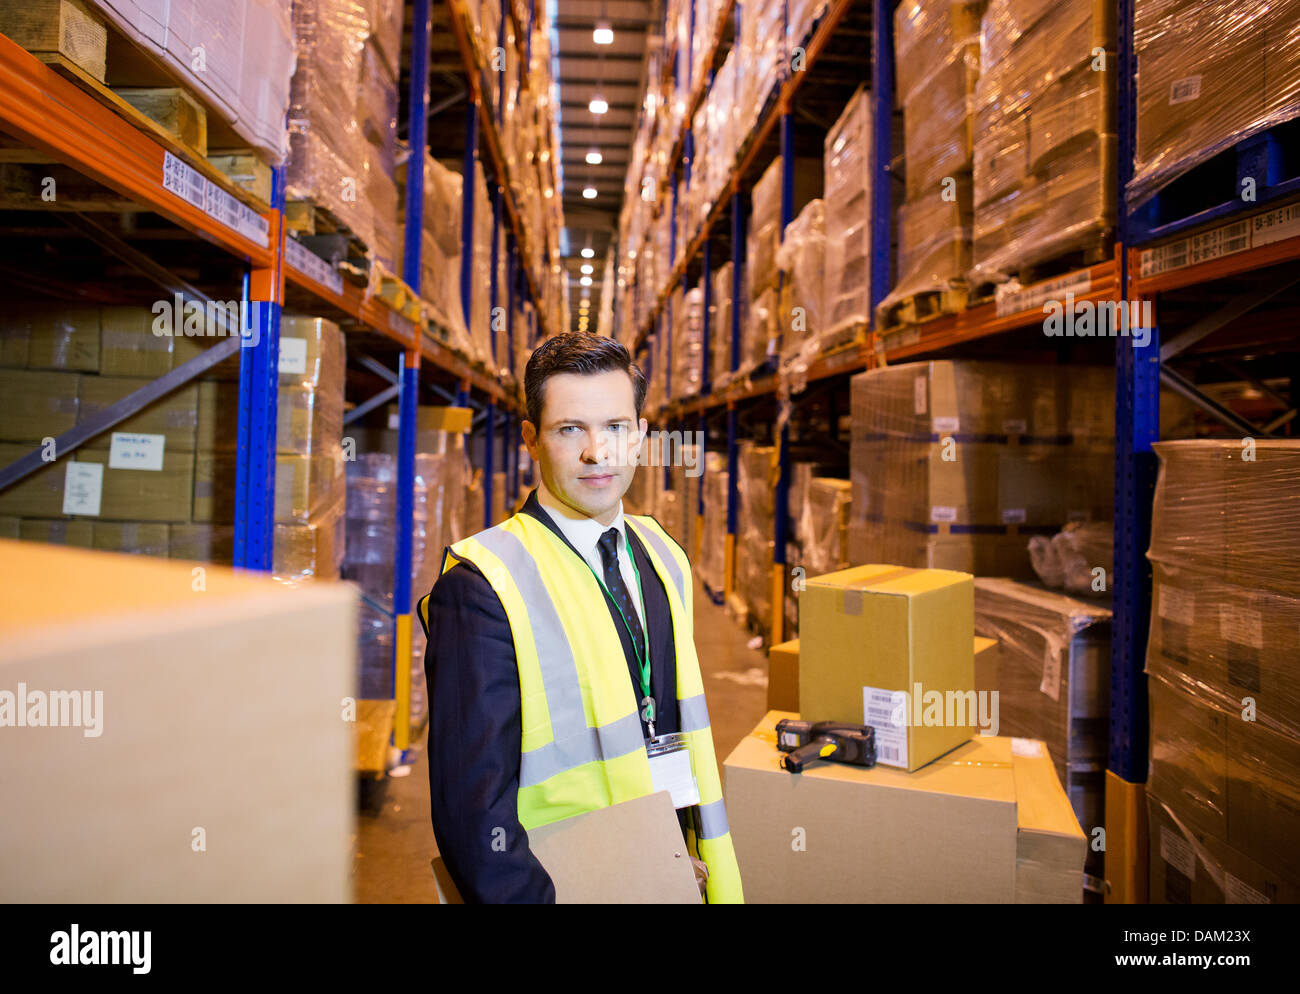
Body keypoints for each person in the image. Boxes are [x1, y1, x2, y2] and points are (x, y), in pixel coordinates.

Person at [417, 333, 743, 904]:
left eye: (615, 427)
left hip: (668, 872)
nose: (598, 453)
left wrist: (672, 859)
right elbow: (475, 819)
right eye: (571, 429)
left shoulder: (662, 554)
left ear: (640, 436)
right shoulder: (481, 587)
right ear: (531, 440)